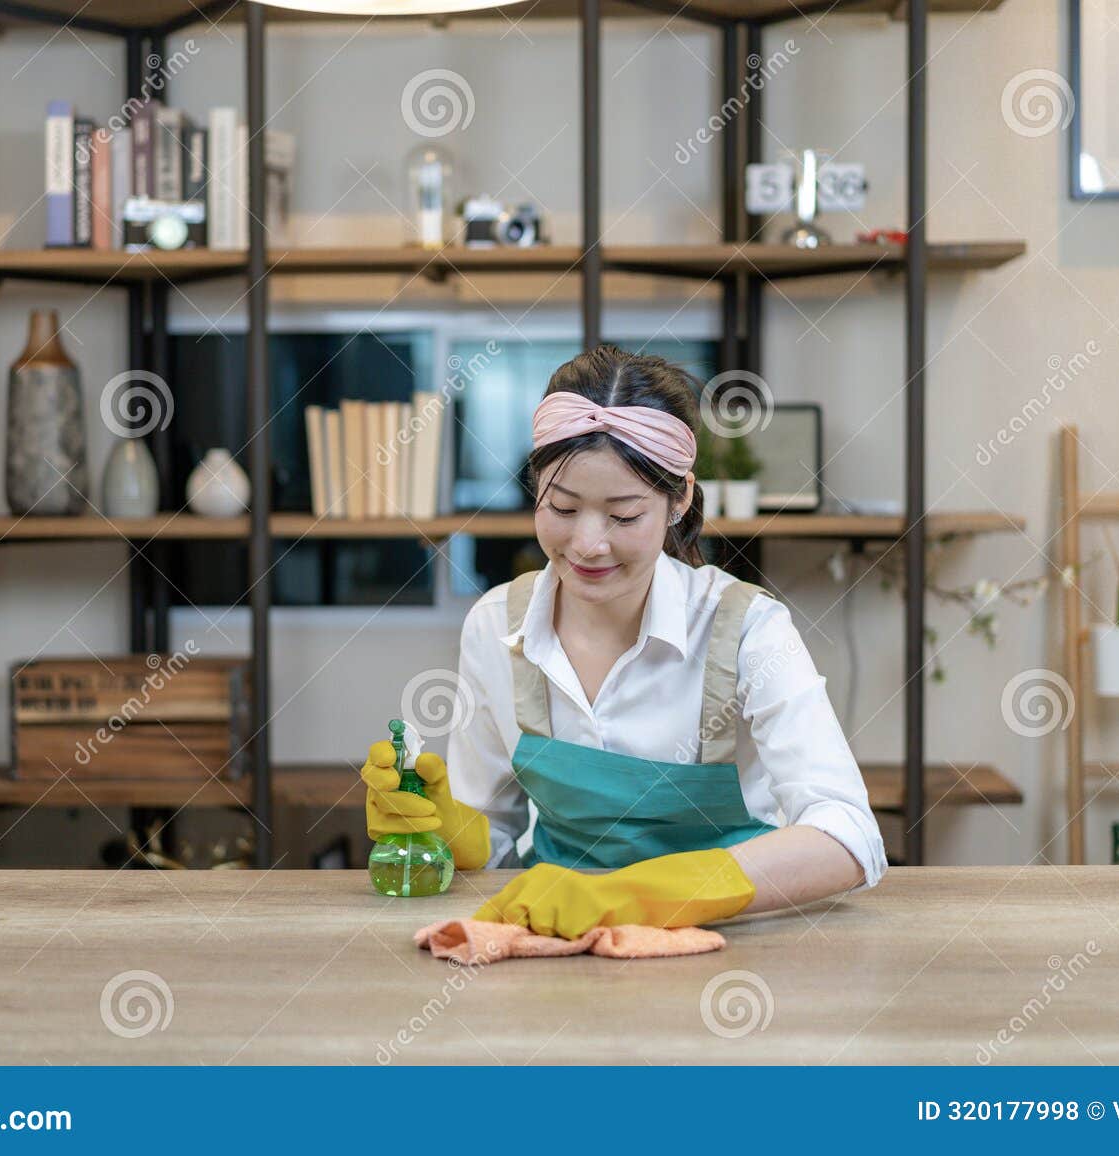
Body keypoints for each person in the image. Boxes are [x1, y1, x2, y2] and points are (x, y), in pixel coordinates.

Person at [360, 345, 886, 939]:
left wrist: (634, 896)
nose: (587, 544)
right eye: (562, 507)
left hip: (726, 946)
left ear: (678, 500)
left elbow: (849, 835)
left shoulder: (746, 629)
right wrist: (444, 828)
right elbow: (496, 831)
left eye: (624, 515)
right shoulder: (495, 625)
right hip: (554, 938)